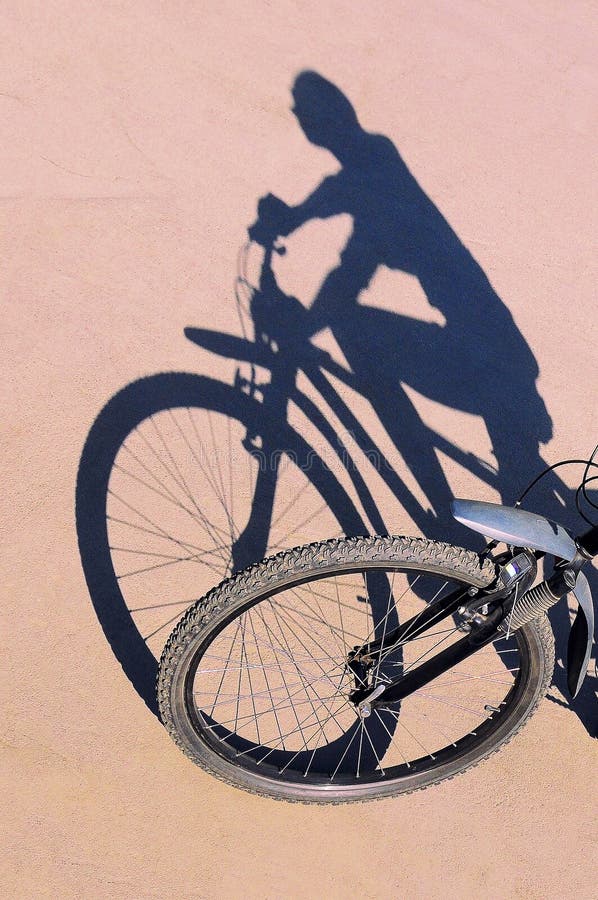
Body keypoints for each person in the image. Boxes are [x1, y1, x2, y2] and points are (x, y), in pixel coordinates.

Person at [250, 70, 552, 525]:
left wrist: (291, 227)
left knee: (355, 332)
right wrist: (290, 219)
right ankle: (448, 520)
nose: (306, 120)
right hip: (491, 355)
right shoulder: (371, 174)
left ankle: (446, 521)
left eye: (308, 110)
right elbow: (340, 225)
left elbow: (346, 249)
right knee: (356, 333)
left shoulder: (375, 163)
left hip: (491, 362)